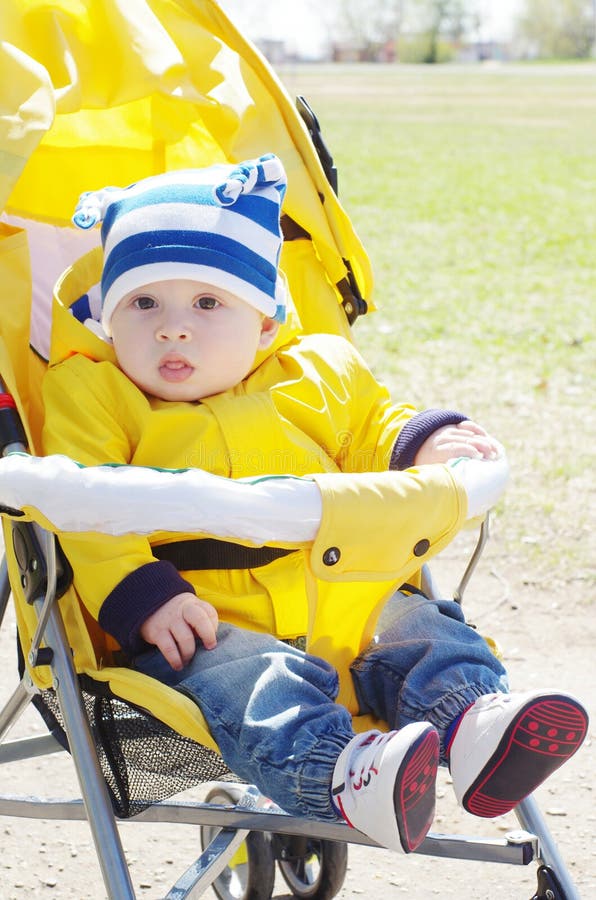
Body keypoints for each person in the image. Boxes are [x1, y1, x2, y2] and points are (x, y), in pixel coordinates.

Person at [41, 154, 588, 854]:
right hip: (203, 622)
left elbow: (374, 425)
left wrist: (424, 445)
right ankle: (344, 774)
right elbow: (79, 500)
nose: (173, 328)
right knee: (255, 681)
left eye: (208, 304)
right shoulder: (92, 393)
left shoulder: (318, 371)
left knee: (421, 624)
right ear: (109, 319)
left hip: (340, 594)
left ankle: (475, 726)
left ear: (266, 325)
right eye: (143, 303)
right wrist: (144, 597)